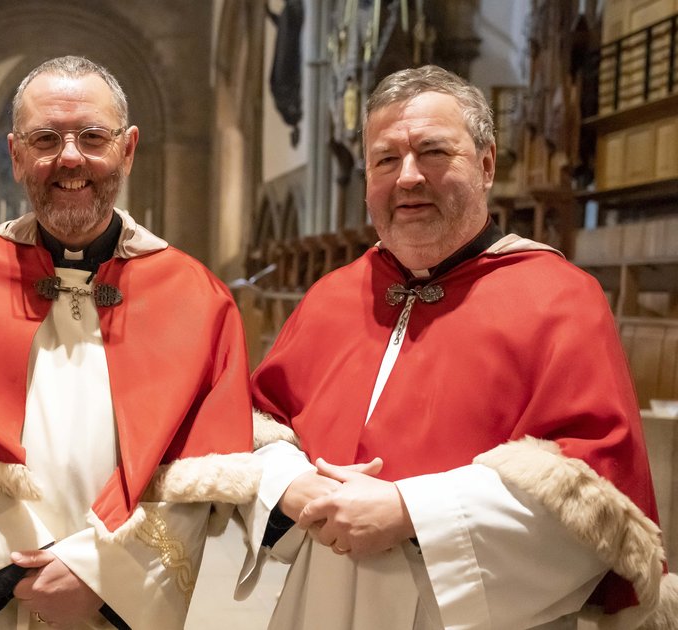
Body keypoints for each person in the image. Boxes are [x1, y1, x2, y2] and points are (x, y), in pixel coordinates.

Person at [239, 65, 676, 629]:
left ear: (487, 164)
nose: (408, 178)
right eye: (387, 159)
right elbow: (257, 426)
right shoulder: (331, 295)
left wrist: (412, 512)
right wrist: (291, 486)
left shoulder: (559, 298)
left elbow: (593, 501)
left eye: (434, 152)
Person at [0, 55, 258, 629]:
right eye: (46, 138)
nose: (70, 157)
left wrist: (102, 578)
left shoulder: (198, 299)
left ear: (127, 150)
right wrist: (9, 574)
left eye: (92, 137)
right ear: (16, 154)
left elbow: (206, 468)